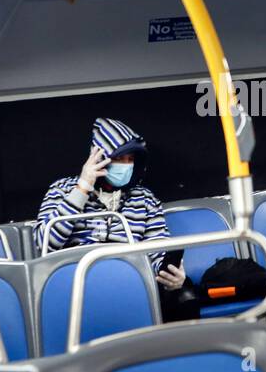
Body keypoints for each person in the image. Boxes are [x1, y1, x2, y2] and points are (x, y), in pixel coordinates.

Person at [35, 117, 196, 318]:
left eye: (130, 160)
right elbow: (44, 245)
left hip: (128, 285)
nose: (126, 165)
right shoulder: (61, 190)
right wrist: (82, 188)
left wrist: (169, 274)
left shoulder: (144, 198)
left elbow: (156, 248)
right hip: (75, 287)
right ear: (100, 158)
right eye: (119, 159)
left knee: (184, 295)